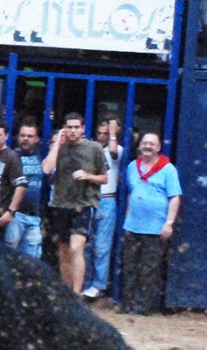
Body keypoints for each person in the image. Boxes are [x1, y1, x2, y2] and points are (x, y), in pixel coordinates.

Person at [42, 112, 108, 294]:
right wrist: (57, 143)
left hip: (84, 203)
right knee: (63, 251)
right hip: (61, 204)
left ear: (83, 128)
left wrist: (87, 176)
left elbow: (104, 178)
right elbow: (47, 169)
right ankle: (66, 293)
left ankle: (77, 293)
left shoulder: (93, 148)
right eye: (69, 127)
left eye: (76, 127)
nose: (72, 131)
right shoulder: (59, 147)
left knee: (75, 247)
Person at [119, 132, 182, 316]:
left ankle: (143, 306)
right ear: (139, 146)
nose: (147, 146)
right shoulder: (132, 166)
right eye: (145, 143)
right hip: (133, 225)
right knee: (129, 265)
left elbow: (174, 197)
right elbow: (132, 193)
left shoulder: (168, 169)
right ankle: (127, 304)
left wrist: (169, 223)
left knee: (149, 268)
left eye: (152, 144)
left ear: (159, 148)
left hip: (155, 227)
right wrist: (127, 219)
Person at [83, 116, 124, 301]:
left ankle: (99, 285)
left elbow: (114, 152)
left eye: (105, 134)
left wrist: (113, 133)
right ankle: (87, 283)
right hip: (90, 199)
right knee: (87, 244)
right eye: (99, 133)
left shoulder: (116, 149)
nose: (102, 137)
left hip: (107, 200)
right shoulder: (91, 150)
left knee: (102, 246)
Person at [7, 120, 48, 260]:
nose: (25, 138)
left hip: (35, 217)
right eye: (23, 135)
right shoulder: (11, 156)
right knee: (10, 257)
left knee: (32, 262)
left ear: (37, 139)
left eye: (30, 136)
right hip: (16, 215)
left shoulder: (41, 154)